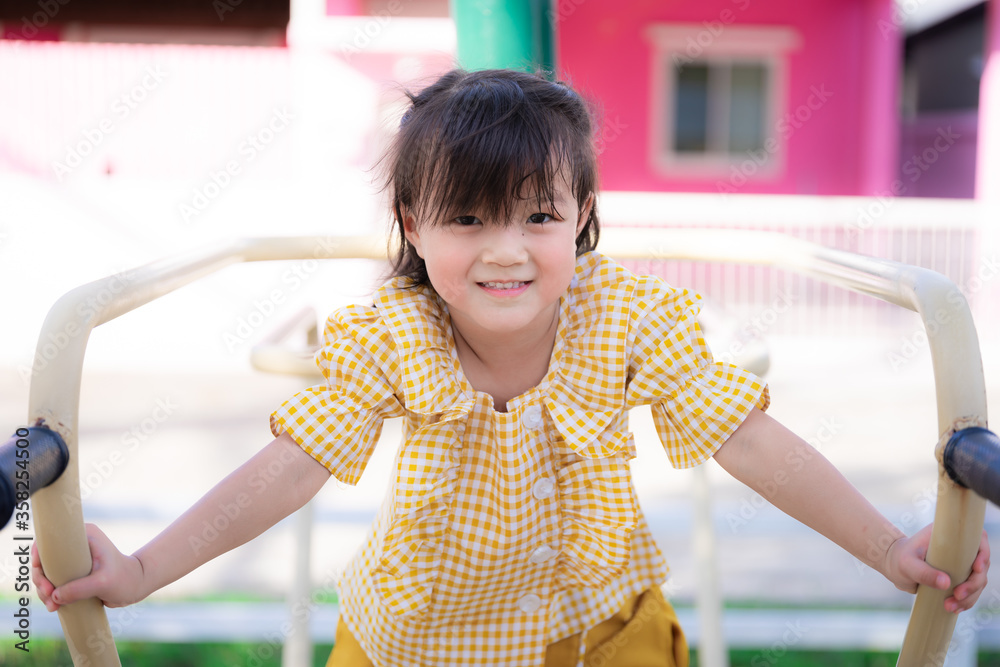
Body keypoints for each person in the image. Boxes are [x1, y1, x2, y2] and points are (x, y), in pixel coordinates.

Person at [33, 68, 990, 667]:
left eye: (538, 215)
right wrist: (148, 568)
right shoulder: (389, 338)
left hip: (602, 627)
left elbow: (746, 437)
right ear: (413, 227)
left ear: (580, 215)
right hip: (418, 641)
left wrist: (887, 547)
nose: (507, 251)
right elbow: (291, 466)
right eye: (467, 218)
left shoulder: (628, 316)